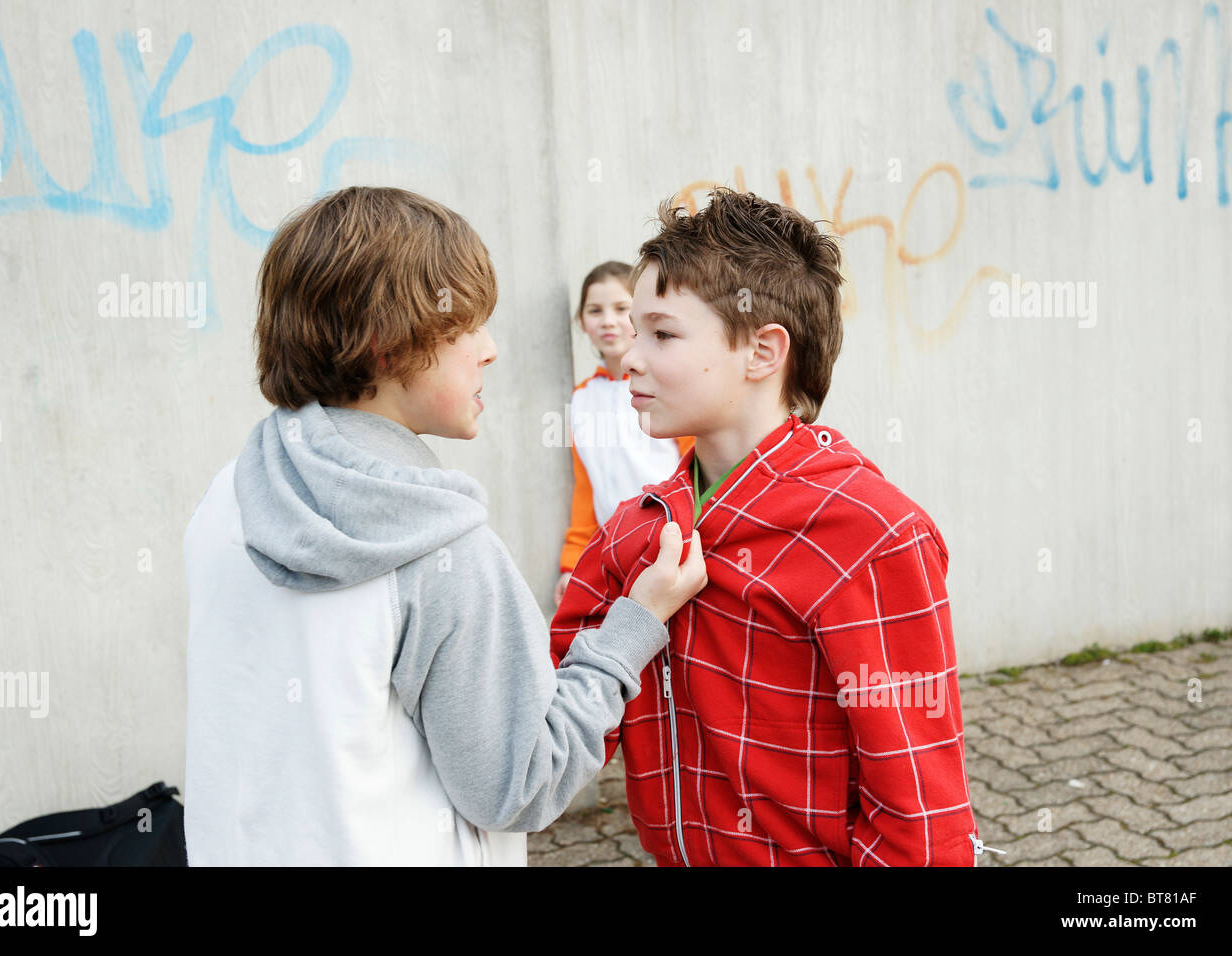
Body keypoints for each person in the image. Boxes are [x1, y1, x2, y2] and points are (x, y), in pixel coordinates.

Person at [183, 186, 706, 866]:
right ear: (385, 343)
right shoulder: (441, 548)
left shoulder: (230, 495)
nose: (490, 349)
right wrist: (635, 625)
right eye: (466, 327)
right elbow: (521, 785)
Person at [550, 187, 980, 866]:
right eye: (632, 331)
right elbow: (544, 731)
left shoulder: (867, 534)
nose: (629, 358)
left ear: (761, 352)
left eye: (661, 333)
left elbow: (919, 814)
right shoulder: (637, 533)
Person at [554, 262, 694, 608]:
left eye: (620, 309)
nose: (607, 320)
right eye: (595, 310)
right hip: (615, 555)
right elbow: (587, 489)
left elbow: (698, 464)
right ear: (582, 322)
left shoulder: (666, 385)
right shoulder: (582, 398)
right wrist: (572, 564)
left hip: (675, 545)